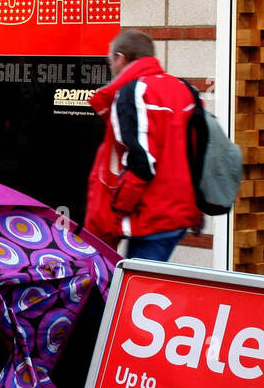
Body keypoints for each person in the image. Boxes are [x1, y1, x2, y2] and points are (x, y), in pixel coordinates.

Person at [84, 29, 202, 262]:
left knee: (140, 290)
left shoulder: (132, 93)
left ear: (121, 58)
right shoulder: (185, 89)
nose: (111, 66)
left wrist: (115, 210)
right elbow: (198, 153)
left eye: (110, 60)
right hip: (178, 213)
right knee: (148, 284)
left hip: (149, 215)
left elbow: (141, 162)